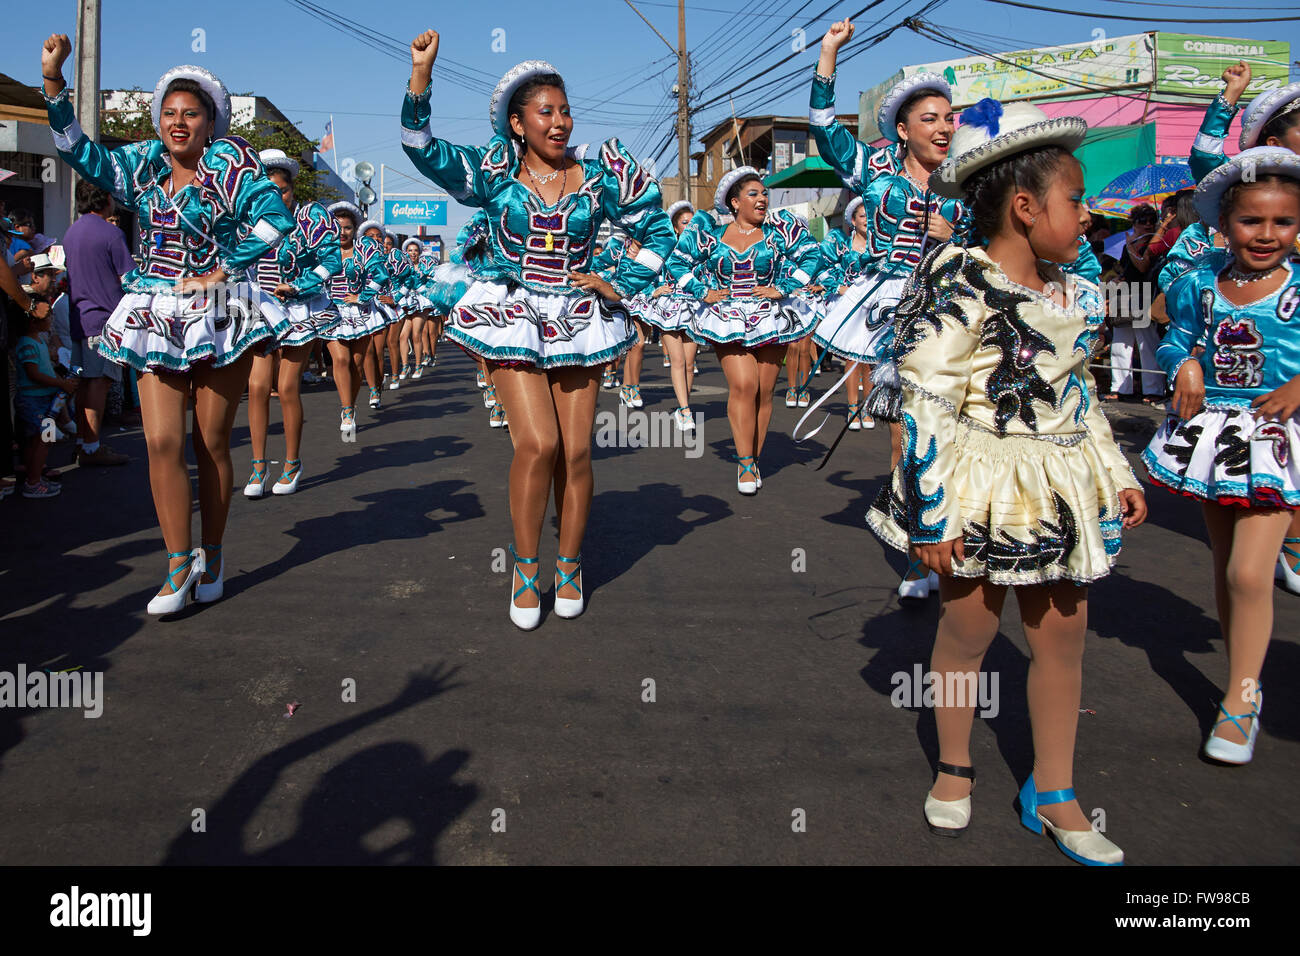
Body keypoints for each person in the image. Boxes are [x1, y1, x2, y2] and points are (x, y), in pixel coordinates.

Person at [865, 98, 1147, 865]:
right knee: (967, 635)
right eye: (1077, 199)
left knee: (1062, 642)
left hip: (1060, 484)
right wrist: (931, 512)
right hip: (979, 485)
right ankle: (955, 764)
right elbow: (925, 399)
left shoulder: (1080, 293)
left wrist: (1117, 470)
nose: (1088, 215)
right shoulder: (960, 283)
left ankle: (1054, 792)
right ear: (1026, 207)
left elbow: (1078, 393)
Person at [402, 33, 673, 629]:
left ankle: (570, 563)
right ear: (518, 124)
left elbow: (659, 234)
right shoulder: (493, 173)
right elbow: (421, 148)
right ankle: (527, 569)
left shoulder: (603, 176)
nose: (559, 121)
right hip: (512, 315)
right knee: (539, 445)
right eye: (544, 112)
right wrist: (421, 76)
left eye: (565, 110)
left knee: (576, 451)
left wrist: (616, 282)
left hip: (578, 319)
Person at [42, 37, 294, 614]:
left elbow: (275, 219)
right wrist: (55, 84)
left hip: (222, 308)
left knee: (209, 445)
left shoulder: (230, 164)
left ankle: (213, 550)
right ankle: (179, 565)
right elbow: (80, 151)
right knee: (161, 442)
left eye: (191, 114)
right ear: (159, 122)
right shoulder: (144, 163)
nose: (179, 123)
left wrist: (223, 271)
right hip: (156, 307)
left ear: (210, 123)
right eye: (170, 114)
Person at [1141, 148, 1300, 765]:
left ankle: (1243, 696)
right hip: (1209, 433)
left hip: (1277, 433)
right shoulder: (1200, 282)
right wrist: (1182, 362)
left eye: (1282, 222)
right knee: (1226, 567)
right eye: (1251, 222)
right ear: (1224, 223)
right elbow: (1178, 334)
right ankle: (1244, 675)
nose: (1266, 235)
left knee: (1249, 574)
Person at [811, 18, 961, 597]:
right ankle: (919, 552)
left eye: (949, 118)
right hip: (896, 308)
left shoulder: (966, 185)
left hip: (956, 308)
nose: (943, 128)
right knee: (909, 432)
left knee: (954, 429)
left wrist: (951, 236)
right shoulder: (872, 170)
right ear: (901, 129)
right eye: (929, 119)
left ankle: (958, 529)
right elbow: (824, 129)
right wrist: (828, 52)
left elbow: (990, 254)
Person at [669, 171, 821, 494]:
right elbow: (678, 263)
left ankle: (754, 455)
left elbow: (812, 254)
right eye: (753, 194)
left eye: (764, 193)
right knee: (744, 384)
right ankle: (745, 462)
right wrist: (701, 290)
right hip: (727, 318)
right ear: (735, 202)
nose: (762, 199)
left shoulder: (780, 233)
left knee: (764, 392)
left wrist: (783, 286)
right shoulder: (711, 234)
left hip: (770, 318)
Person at [244, 148, 342, 497]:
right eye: (268, 192)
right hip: (261, 309)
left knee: (286, 387)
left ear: (292, 190)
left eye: (282, 191)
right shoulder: (248, 218)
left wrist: (299, 285)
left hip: (299, 310)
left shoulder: (312, 217)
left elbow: (331, 261)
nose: (276, 197)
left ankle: (291, 462)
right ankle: (258, 466)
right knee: (257, 387)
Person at [61, 181, 136, 467]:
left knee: (85, 382)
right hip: (105, 320)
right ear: (105, 198)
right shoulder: (111, 233)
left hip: (80, 318)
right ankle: (91, 447)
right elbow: (128, 277)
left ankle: (84, 441)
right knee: (99, 383)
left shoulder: (72, 232)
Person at [318, 202, 389, 441]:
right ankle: (346, 410)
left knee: (357, 365)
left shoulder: (364, 249)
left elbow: (381, 275)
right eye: (338, 227)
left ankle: (351, 405)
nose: (342, 232)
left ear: (354, 229)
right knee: (341, 359)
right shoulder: (322, 250)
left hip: (361, 313)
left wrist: (363, 296)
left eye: (347, 228)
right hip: (331, 311)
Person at [645, 199, 704, 432]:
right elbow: (644, 272)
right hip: (669, 307)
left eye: (692, 223)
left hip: (693, 307)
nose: (689, 227)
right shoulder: (665, 247)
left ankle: (683, 407)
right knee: (677, 360)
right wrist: (654, 290)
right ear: (676, 226)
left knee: (689, 364)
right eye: (685, 223)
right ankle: (685, 409)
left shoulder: (700, 249)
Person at [12, 306, 76, 498]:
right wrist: (61, 383)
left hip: (42, 400)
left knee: (40, 441)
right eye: (47, 316)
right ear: (33, 320)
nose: (51, 319)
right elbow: (33, 374)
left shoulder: (38, 340)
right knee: (45, 439)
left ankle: (35, 477)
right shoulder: (27, 343)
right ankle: (33, 483)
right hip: (33, 401)